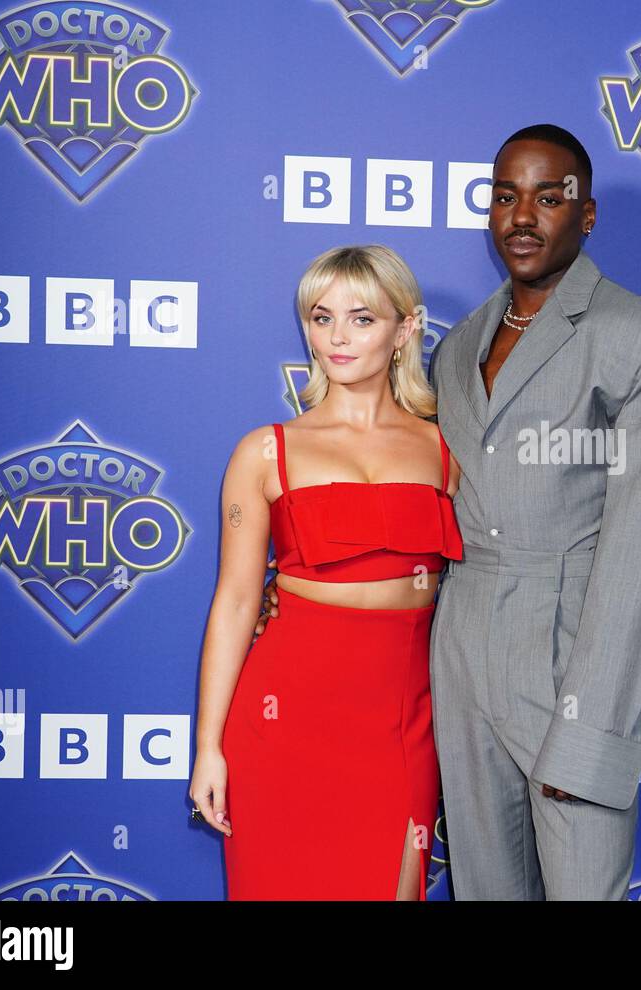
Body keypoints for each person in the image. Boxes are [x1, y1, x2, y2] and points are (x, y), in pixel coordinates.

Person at [258, 124, 641, 900]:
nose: (522, 216)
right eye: (505, 197)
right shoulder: (458, 347)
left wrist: (591, 729)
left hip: (570, 669)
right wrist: (303, 587)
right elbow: (403, 487)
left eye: (548, 197)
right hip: (458, 671)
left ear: (587, 214)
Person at [189, 244, 462, 900]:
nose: (337, 336)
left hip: (401, 721)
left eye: (362, 318)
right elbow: (234, 603)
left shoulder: (447, 447)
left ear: (405, 330)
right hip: (284, 719)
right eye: (321, 316)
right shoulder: (264, 451)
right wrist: (208, 747)